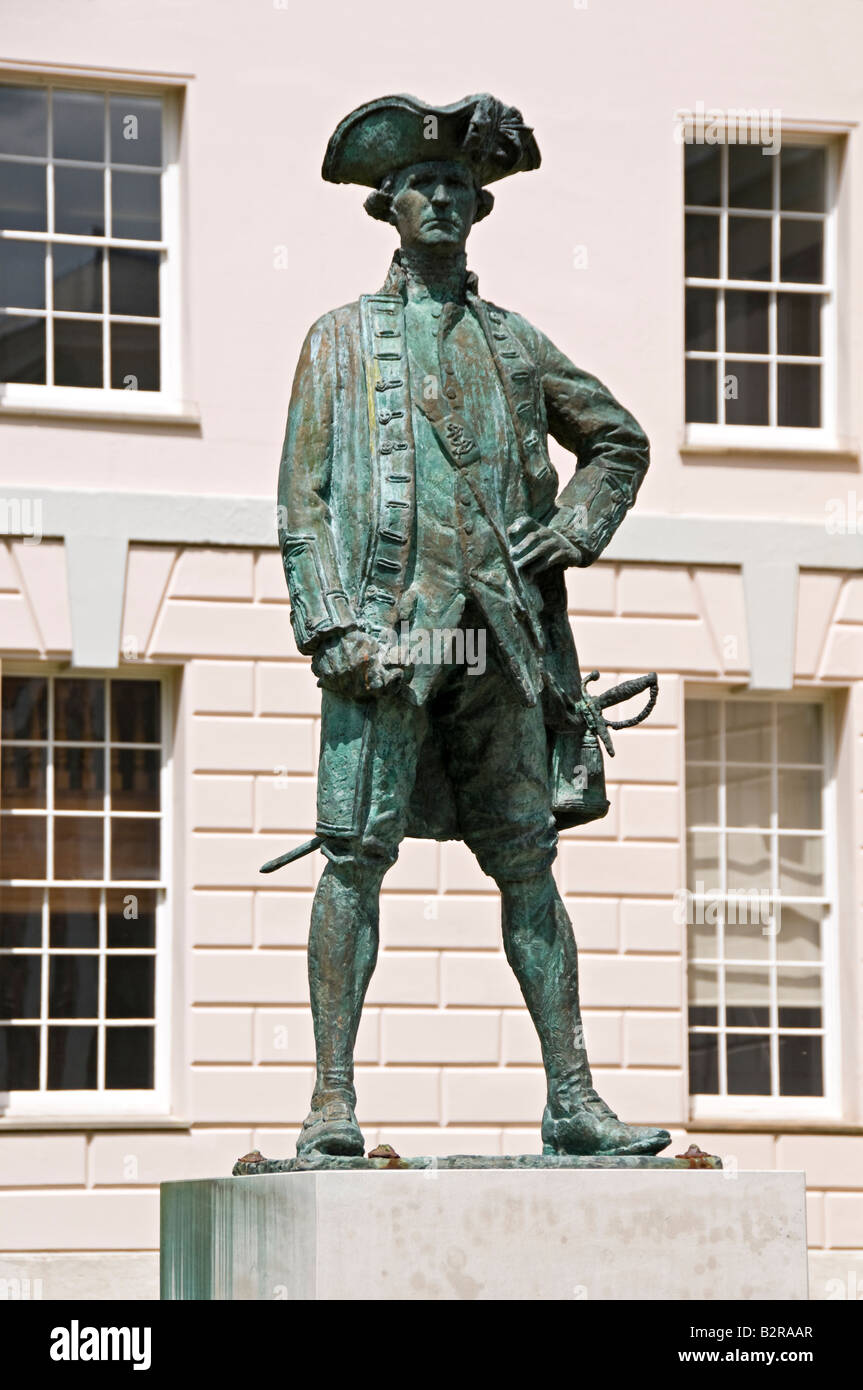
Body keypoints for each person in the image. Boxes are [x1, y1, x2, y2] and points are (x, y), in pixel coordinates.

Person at [277, 93, 671, 1159]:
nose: (442, 200)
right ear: (389, 206)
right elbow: (303, 501)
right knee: (353, 858)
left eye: (459, 186)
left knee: (527, 863)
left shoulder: (515, 344)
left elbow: (617, 441)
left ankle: (570, 1099)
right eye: (423, 185)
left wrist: (575, 529)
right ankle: (330, 1102)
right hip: (391, 645)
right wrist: (329, 631)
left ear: (476, 208)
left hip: (500, 642)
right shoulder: (338, 343)